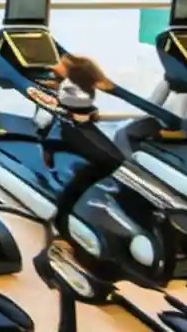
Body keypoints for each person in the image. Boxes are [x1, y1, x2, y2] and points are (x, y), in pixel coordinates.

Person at [42, 55, 126, 239]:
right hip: (69, 131)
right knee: (107, 160)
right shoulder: (68, 86)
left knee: (118, 159)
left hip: (79, 128)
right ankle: (61, 215)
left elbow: (80, 105)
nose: (55, 66)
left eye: (61, 65)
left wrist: (90, 112)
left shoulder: (73, 86)